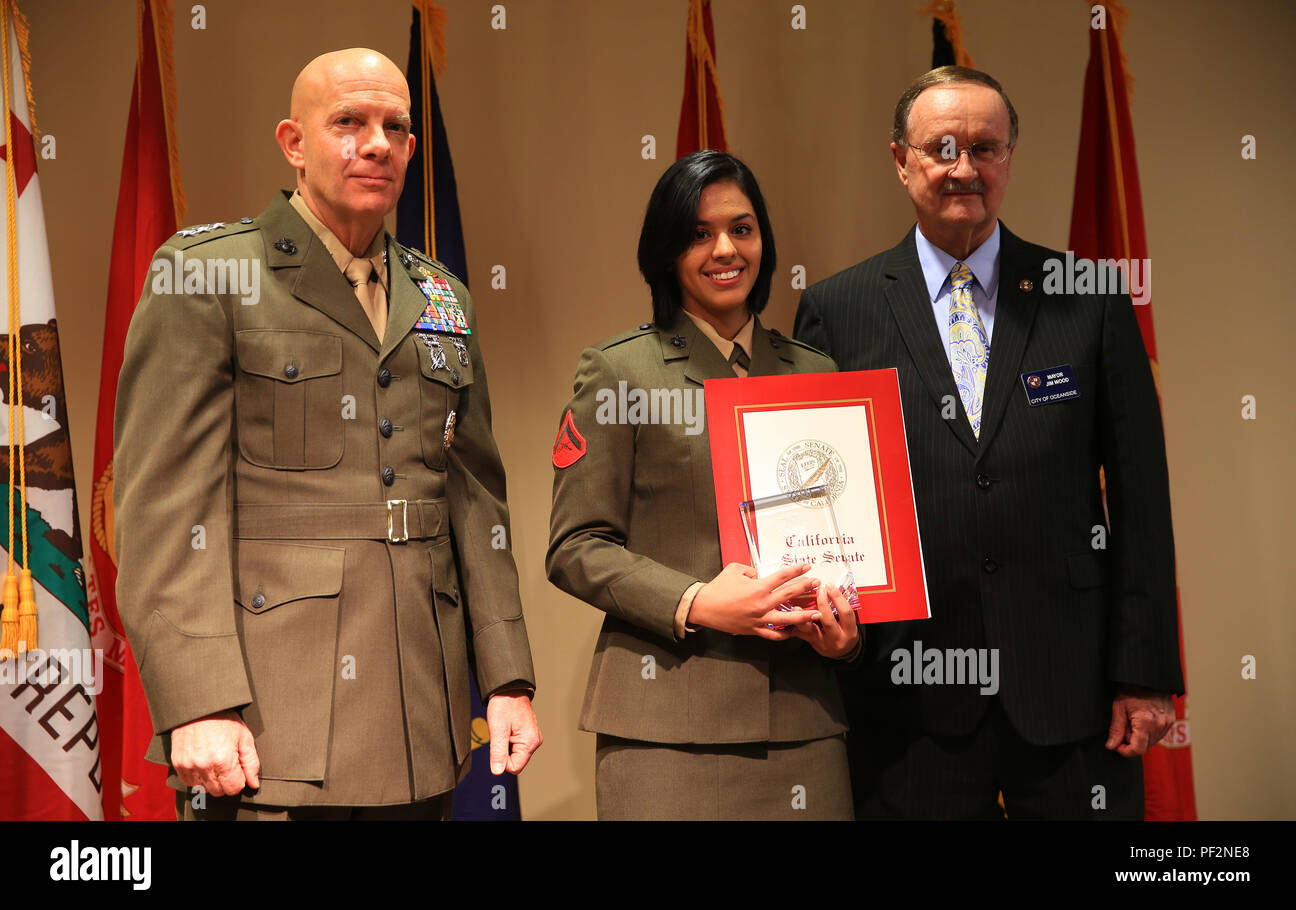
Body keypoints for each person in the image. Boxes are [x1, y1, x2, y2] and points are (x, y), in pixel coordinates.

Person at [113, 48, 540, 820]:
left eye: (394, 127)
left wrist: (506, 675)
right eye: (348, 122)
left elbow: (475, 501)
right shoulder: (211, 275)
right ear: (294, 142)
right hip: (273, 718)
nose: (376, 143)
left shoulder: (442, 295)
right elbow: (165, 513)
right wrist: (199, 698)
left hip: (421, 714)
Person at [794, 66, 1183, 819]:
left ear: (1009, 157)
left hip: (1071, 687)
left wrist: (1144, 671)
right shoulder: (837, 309)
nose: (963, 167)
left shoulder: (1089, 296)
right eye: (940, 147)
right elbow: (828, 494)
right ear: (901, 162)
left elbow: (1142, 494)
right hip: (908, 692)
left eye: (984, 147)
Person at [547, 150, 860, 820]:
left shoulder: (817, 374)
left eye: (742, 229)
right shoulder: (618, 373)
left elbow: (849, 545)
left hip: (804, 724)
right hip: (666, 729)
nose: (725, 249)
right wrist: (696, 601)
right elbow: (576, 547)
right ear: (666, 252)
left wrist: (848, 632)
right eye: (698, 233)